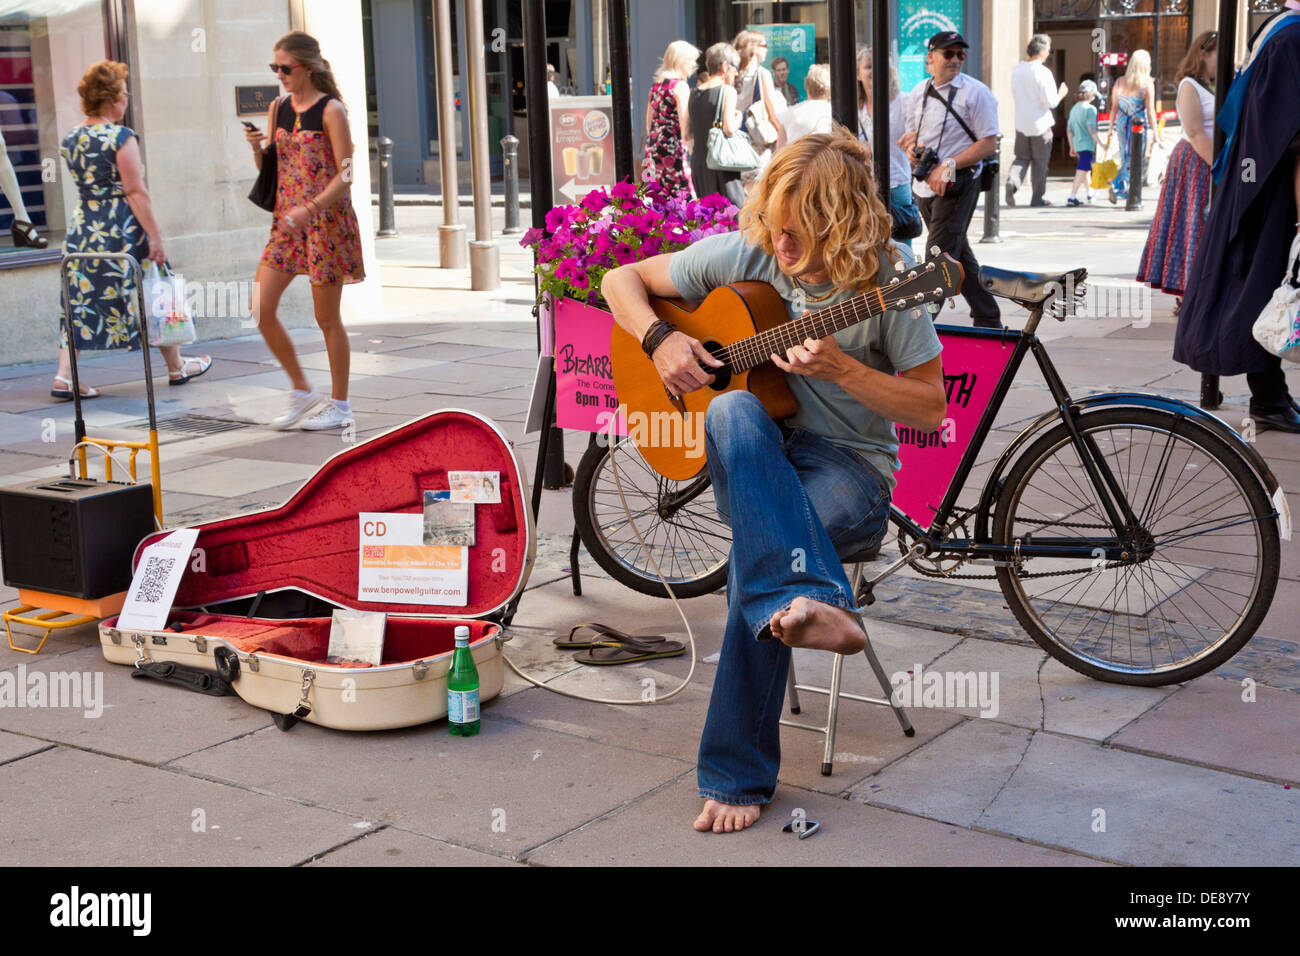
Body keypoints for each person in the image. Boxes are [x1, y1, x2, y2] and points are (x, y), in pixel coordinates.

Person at [601, 128, 945, 833]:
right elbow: (620, 280)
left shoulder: (890, 281)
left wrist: (845, 371)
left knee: (760, 565)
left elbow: (932, 407)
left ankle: (738, 774)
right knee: (730, 405)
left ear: (841, 223)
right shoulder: (752, 252)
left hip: (849, 468)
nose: (780, 249)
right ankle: (817, 604)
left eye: (800, 234)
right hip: (757, 453)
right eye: (775, 228)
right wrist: (662, 339)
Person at [53, 60, 211, 400]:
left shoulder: (72, 137)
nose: (127, 99)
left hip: (84, 228)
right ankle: (176, 367)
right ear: (112, 99)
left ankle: (64, 376)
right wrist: (155, 236)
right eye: (124, 92)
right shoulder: (120, 137)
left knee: (80, 300)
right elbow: (135, 191)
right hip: (121, 227)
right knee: (156, 291)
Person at [1176, 5, 1300, 433]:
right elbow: (1284, 130)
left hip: (1258, 183)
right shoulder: (1290, 38)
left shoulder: (1280, 33)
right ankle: (1269, 396)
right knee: (1263, 290)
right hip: (1269, 190)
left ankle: (1271, 395)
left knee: (1260, 289)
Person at [245, 31, 364, 430]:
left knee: (326, 318)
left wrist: (311, 208)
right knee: (260, 308)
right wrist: (257, 148)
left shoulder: (331, 110)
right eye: (274, 67)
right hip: (286, 221)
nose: (279, 74)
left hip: (325, 223)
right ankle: (301, 391)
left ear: (307, 67)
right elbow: (272, 171)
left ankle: (340, 406)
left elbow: (346, 173)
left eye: (285, 67)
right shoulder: (278, 107)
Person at [900, 31, 1002, 328]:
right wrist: (911, 150)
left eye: (961, 55)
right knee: (958, 254)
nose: (956, 60)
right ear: (930, 58)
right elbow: (912, 136)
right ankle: (988, 317)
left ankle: (918, 329)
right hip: (924, 186)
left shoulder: (976, 92)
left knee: (938, 259)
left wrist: (951, 164)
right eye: (949, 54)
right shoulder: (918, 91)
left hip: (958, 184)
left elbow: (988, 142)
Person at [1136, 32, 1218, 307]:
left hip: (1209, 157)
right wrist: (1220, 165)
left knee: (1202, 225)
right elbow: (1195, 132)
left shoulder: (1214, 84)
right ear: (1204, 53)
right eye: (1219, 54)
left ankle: (1199, 290)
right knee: (1190, 224)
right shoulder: (1188, 85)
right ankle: (1187, 293)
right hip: (1196, 159)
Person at [858, 45, 920, 247]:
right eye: (868, 66)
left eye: (878, 66)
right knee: (870, 248)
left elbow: (919, 134)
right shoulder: (853, 106)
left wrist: (913, 143)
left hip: (896, 185)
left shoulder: (903, 101)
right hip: (863, 188)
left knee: (901, 248)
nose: (873, 71)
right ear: (858, 74)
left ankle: (905, 279)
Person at [1007, 34, 1069, 207]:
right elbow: (1051, 102)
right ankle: (1037, 198)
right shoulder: (1043, 72)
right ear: (1042, 51)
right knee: (1040, 163)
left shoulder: (1017, 69)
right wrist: (1061, 93)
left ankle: (1013, 181)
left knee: (1021, 157)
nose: (1049, 53)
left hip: (1021, 121)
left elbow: (1014, 94)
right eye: (1049, 50)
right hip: (1040, 123)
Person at [687, 42, 745, 209]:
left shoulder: (694, 93)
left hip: (699, 162)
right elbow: (728, 128)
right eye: (736, 67)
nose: (737, 72)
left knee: (708, 218)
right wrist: (738, 117)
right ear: (725, 66)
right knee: (733, 215)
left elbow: (687, 133)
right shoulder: (728, 91)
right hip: (721, 162)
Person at [641, 40, 699, 200]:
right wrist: (690, 147)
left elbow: (649, 123)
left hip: (654, 147)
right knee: (684, 195)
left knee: (660, 196)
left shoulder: (656, 86)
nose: (694, 66)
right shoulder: (679, 86)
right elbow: (684, 122)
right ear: (680, 62)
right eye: (691, 61)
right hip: (673, 148)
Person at [1103, 49, 1157, 204]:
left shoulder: (1119, 81)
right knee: (1136, 159)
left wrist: (1109, 128)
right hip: (1138, 124)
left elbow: (1113, 107)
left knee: (1126, 156)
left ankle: (1123, 189)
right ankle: (1120, 187)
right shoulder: (1147, 84)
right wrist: (1156, 134)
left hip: (1121, 123)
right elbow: (1151, 111)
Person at [732, 29, 784, 190]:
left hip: (735, 139)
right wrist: (781, 132)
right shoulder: (762, 74)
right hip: (757, 140)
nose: (766, 49)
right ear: (754, 49)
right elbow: (771, 110)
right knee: (757, 190)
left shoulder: (732, 73)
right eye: (764, 45)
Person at [776, 63, 831, 146]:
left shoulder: (789, 113)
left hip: (794, 157)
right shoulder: (833, 112)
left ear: (806, 85)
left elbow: (779, 151)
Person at [1066, 80, 1100, 205]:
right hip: (1087, 145)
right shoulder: (1091, 109)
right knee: (1081, 170)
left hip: (1078, 144)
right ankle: (1072, 196)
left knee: (1086, 170)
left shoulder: (1074, 109)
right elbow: (1092, 129)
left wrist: (1071, 146)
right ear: (1091, 94)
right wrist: (1101, 144)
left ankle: (1090, 194)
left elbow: (1069, 130)